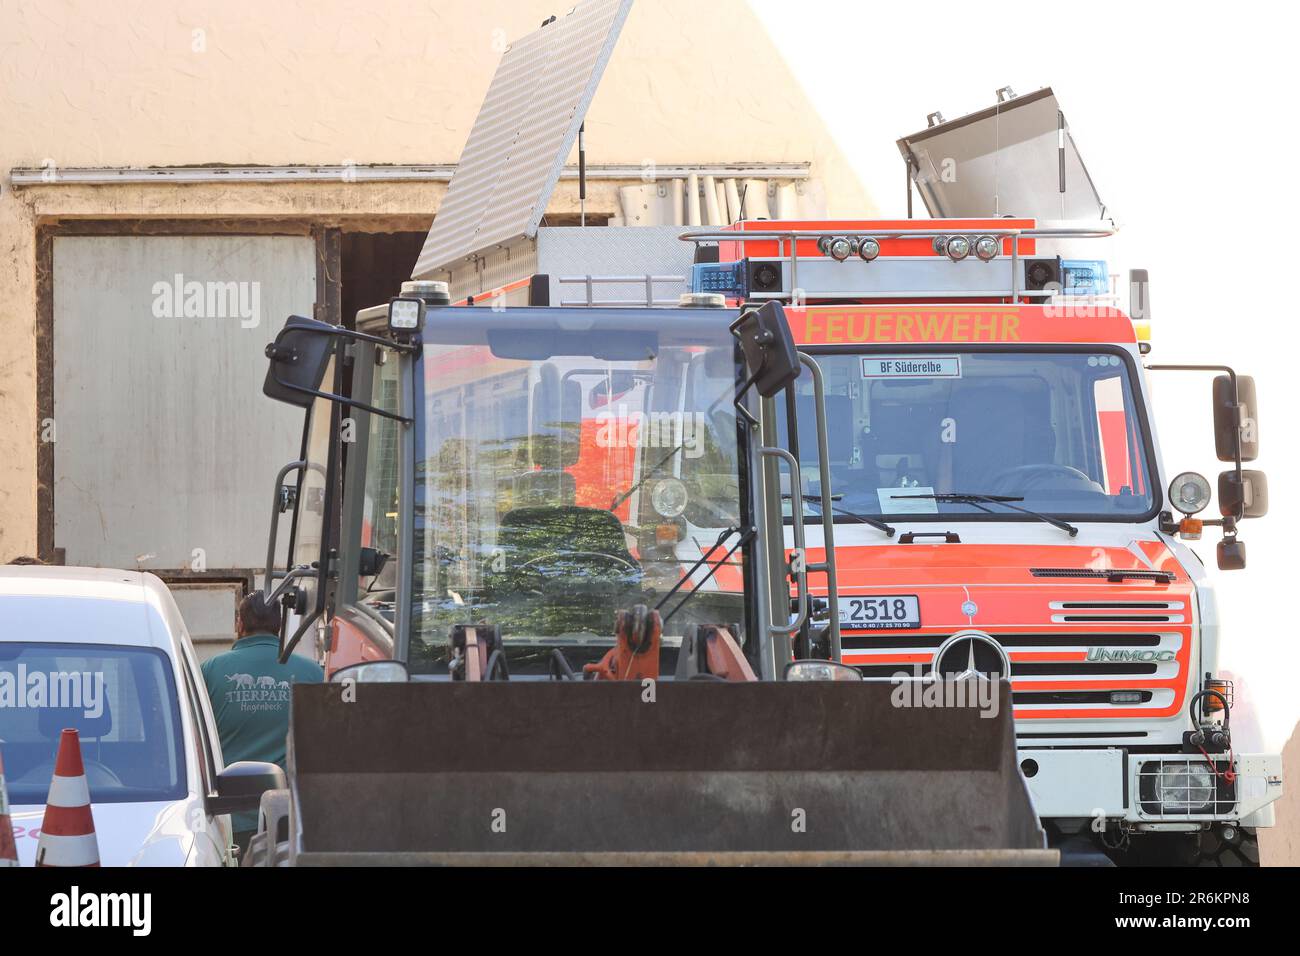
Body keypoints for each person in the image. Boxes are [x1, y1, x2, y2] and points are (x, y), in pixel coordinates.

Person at [201, 592, 323, 857]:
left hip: (229, 820)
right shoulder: (313, 673)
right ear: (279, 626)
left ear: (239, 624)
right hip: (289, 820)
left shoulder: (210, 671)